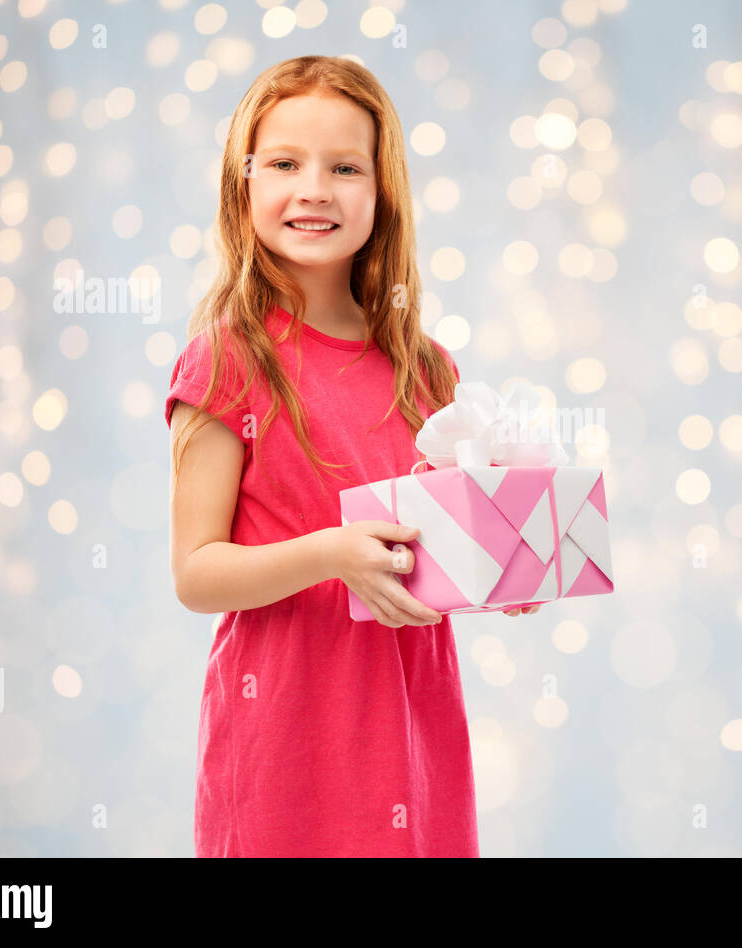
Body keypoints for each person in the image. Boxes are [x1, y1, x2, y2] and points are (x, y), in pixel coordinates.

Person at [164, 55, 538, 858]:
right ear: (244, 183)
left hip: (410, 726)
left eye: (345, 167)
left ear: (383, 191)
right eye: (286, 164)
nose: (315, 189)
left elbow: (435, 547)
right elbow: (196, 573)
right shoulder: (229, 359)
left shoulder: (425, 367)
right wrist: (331, 555)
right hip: (286, 735)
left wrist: (507, 563)